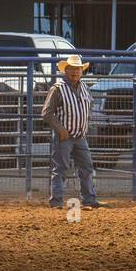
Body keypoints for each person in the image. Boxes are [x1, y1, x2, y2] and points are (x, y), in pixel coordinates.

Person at [42, 54, 104, 209]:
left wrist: (84, 124)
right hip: (65, 136)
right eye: (72, 69)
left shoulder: (84, 87)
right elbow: (47, 113)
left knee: (87, 168)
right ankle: (56, 201)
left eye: (78, 69)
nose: (75, 72)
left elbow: (89, 106)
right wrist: (60, 129)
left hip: (80, 135)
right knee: (61, 169)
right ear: (66, 70)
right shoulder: (58, 89)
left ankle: (89, 199)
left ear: (81, 71)